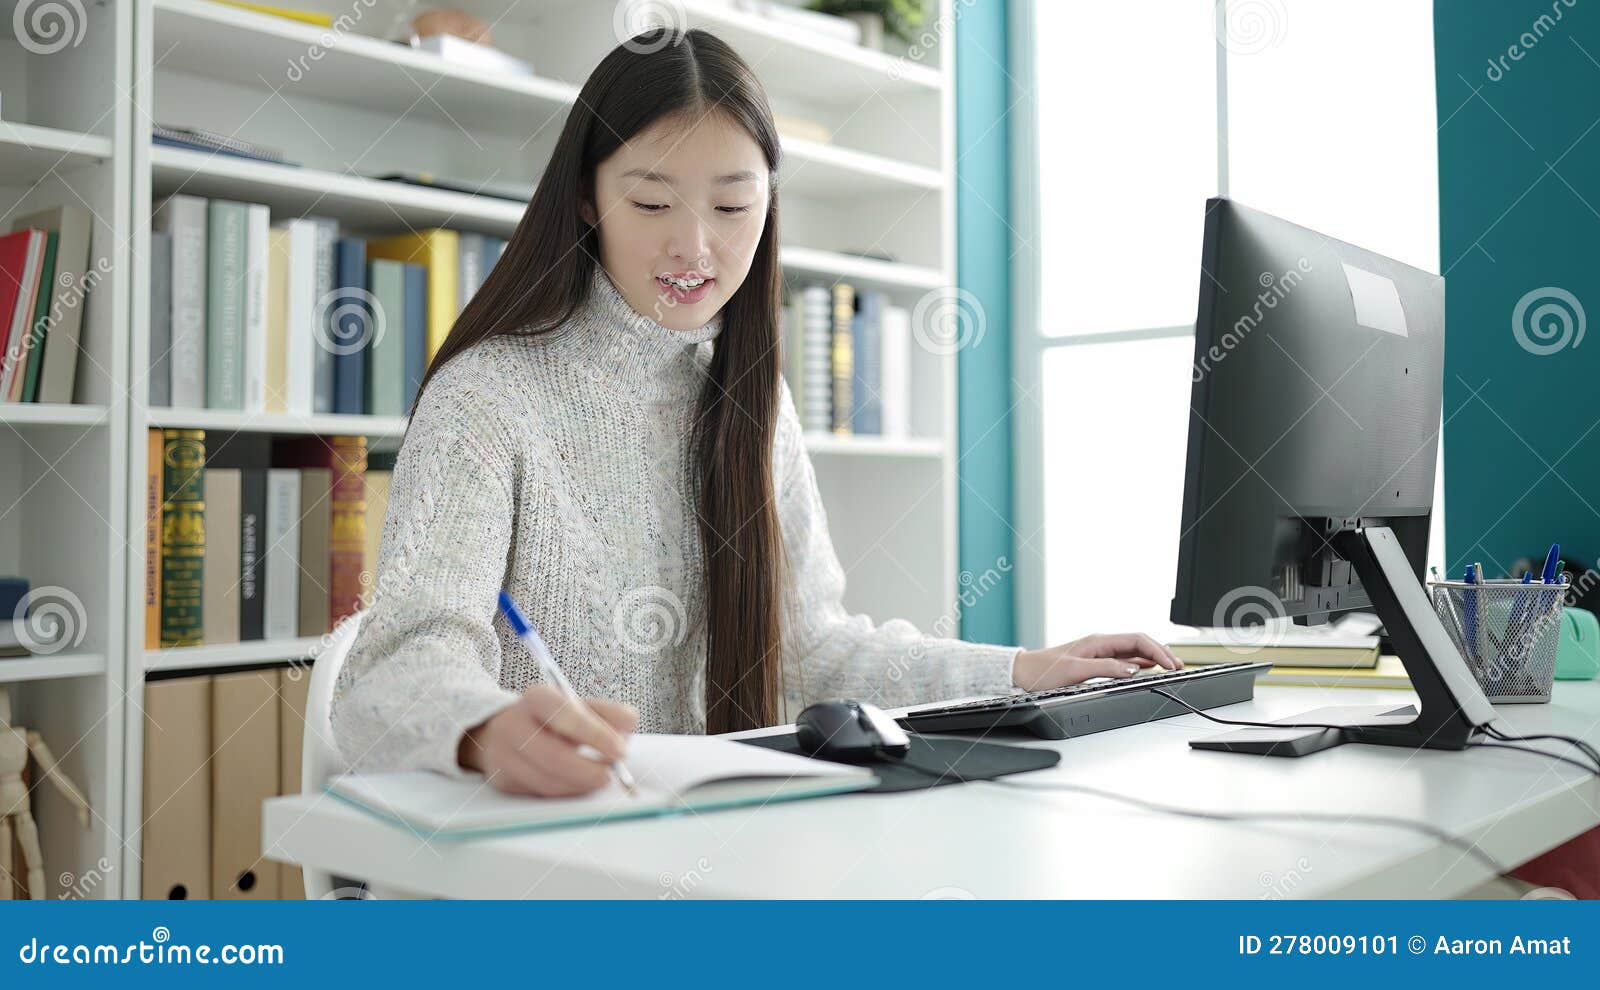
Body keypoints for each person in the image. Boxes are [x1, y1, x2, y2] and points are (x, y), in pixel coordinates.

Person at [330, 27, 1179, 798]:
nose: (694, 249)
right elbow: (393, 672)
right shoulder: (489, 397)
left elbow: (813, 650)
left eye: (733, 207)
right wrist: (483, 730)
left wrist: (1026, 670)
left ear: (769, 206)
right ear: (586, 199)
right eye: (653, 202)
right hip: (532, 864)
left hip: (698, 854)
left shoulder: (750, 399)